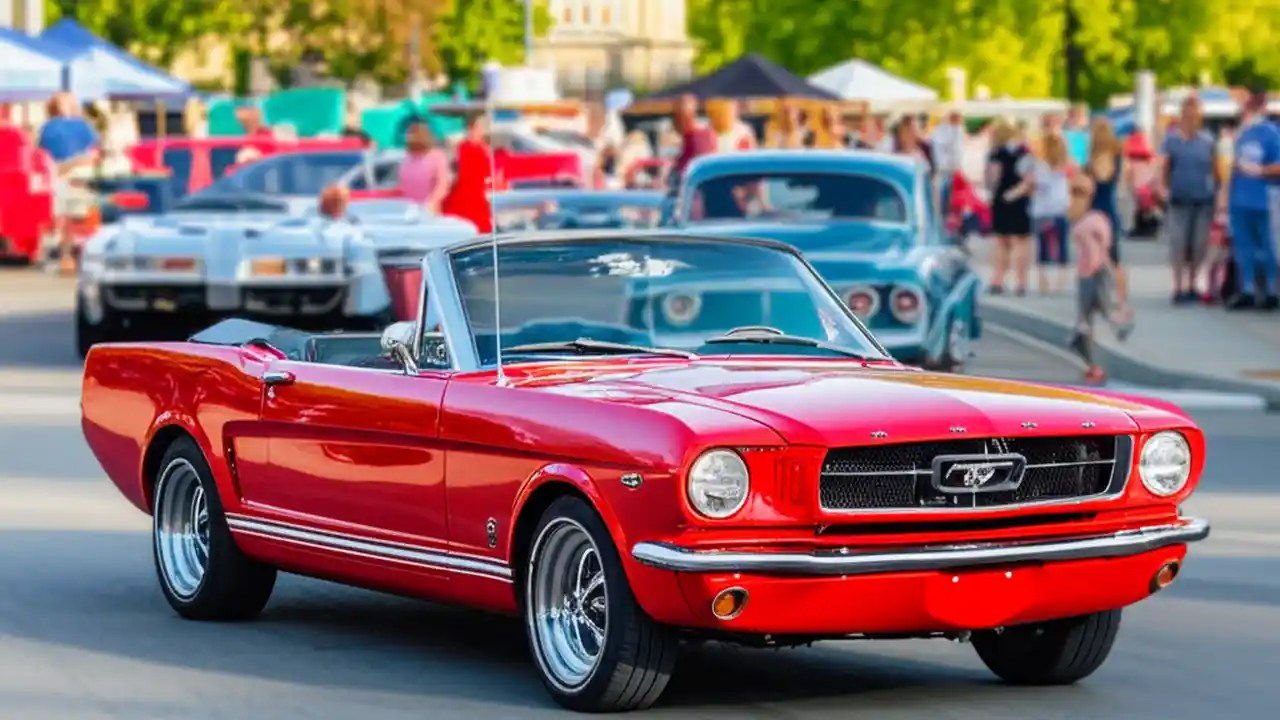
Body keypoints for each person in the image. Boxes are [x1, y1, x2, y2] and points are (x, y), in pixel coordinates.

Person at [1067, 175, 1134, 385]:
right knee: (1090, 316)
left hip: (1094, 271)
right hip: (1091, 271)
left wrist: (1093, 268)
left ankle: (1096, 359)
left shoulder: (1091, 220)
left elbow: (1099, 249)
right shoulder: (1090, 219)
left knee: (1094, 315)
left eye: (1076, 193)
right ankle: (1092, 361)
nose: (1072, 199)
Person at [1160, 94, 1219, 304]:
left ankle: (1193, 284)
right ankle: (1178, 286)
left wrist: (1218, 196)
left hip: (1203, 199)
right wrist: (1165, 189)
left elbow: (1215, 170)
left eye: (1196, 114)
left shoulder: (1208, 141)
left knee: (1198, 245)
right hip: (1179, 199)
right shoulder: (1172, 140)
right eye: (1188, 113)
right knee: (1178, 244)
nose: (1192, 118)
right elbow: (1166, 168)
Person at [1226, 89, 1280, 310]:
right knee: (1244, 247)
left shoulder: (1272, 134)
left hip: (1265, 199)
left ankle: (1269, 290)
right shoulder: (1243, 134)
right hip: (1241, 199)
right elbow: (1234, 167)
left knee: (1267, 246)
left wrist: (1258, 170)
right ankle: (1247, 289)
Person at [37, 92, 99, 275]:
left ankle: (69, 255)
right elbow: (45, 154)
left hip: (72, 175)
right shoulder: (52, 128)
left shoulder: (80, 126)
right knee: (65, 217)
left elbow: (93, 152)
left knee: (72, 217)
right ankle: (67, 256)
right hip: (66, 175)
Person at [1006, 133, 1072, 294]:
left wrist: (1011, 195)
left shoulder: (1040, 165)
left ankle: (1044, 283)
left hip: (1042, 210)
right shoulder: (1065, 165)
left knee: (1043, 248)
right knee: (1061, 247)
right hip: (1060, 210)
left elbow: (1031, 184)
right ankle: (1059, 283)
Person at [1085, 117, 1129, 307]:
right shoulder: (1117, 159)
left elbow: (1086, 189)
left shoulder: (1089, 162)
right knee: (1114, 258)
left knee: (1093, 258)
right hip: (1110, 211)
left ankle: (1097, 297)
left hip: (1093, 211)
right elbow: (1121, 186)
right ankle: (1120, 297)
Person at [986, 119, 1034, 295]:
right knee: (1020, 243)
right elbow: (1030, 179)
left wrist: (997, 194)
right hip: (1020, 201)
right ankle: (1021, 282)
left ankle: (998, 279)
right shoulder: (1024, 152)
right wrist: (1016, 193)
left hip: (1000, 201)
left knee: (1001, 242)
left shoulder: (996, 153)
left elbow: (992, 178)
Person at [441, 113, 493, 233]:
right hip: (465, 201)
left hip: (473, 201)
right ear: (471, 129)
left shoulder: (481, 150)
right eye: (479, 128)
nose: (481, 132)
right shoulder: (461, 149)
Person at [397, 118, 451, 213]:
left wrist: (432, 202)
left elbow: (443, 184)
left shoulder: (436, 156)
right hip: (411, 208)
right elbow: (403, 185)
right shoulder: (408, 158)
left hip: (429, 209)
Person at [667, 94, 715, 187]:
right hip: (697, 180)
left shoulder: (697, 135)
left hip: (694, 182)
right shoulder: (706, 131)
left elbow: (692, 164)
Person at [931, 108, 967, 217]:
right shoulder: (944, 130)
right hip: (945, 170)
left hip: (951, 171)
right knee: (944, 200)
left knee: (951, 202)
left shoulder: (956, 130)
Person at [1064, 103, 1090, 168]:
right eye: (1075, 116)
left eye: (1081, 116)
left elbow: (1088, 153)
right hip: (1070, 167)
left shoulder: (1086, 134)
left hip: (1084, 167)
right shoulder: (1065, 134)